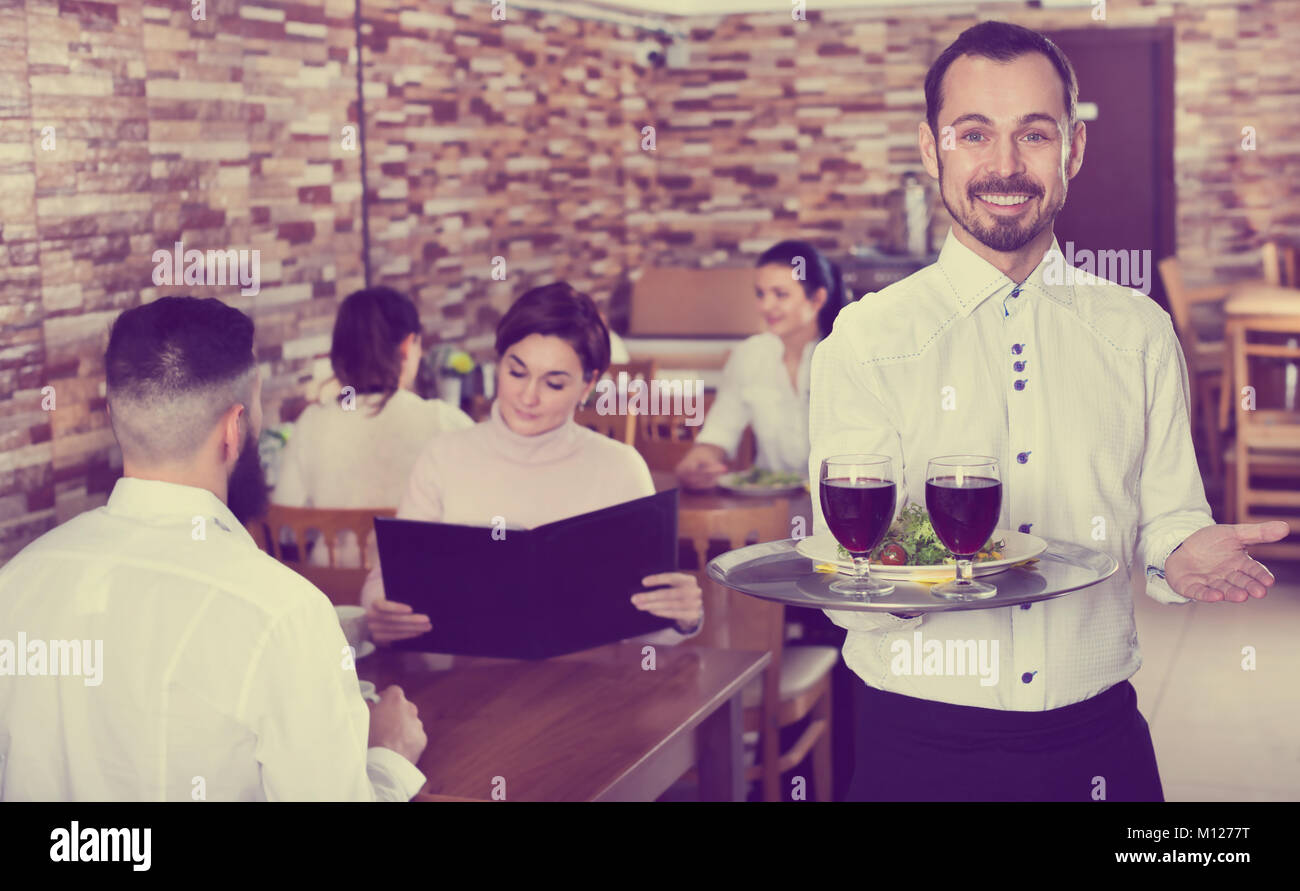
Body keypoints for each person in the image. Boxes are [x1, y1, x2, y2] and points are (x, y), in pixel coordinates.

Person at [809, 21, 1289, 802]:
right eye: (974, 134)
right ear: (932, 150)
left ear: (1072, 151)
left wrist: (1178, 551)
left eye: (1033, 134)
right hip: (917, 738)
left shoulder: (1138, 331)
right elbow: (850, 556)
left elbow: (1166, 515)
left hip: (1097, 735)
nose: (1005, 165)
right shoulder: (866, 340)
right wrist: (902, 576)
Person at [0, 296, 428, 801]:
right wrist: (390, 756)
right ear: (233, 429)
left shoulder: (18, 580)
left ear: (116, 413)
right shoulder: (283, 613)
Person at [361, 282, 703, 646]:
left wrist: (683, 618)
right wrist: (379, 611)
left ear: (587, 387)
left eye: (554, 384)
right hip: (465, 677)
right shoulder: (443, 456)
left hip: (588, 681)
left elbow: (652, 629)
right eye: (517, 372)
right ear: (499, 361)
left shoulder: (620, 467)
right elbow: (389, 578)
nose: (528, 396)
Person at [273, 287, 473, 566]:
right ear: (407, 345)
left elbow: (286, 532)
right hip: (413, 592)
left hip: (330, 594)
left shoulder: (310, 424)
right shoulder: (443, 420)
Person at [675, 240, 846, 489]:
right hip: (770, 503)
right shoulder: (749, 355)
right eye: (760, 294)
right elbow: (718, 434)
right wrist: (697, 462)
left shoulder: (846, 357)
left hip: (836, 504)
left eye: (780, 294)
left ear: (817, 299)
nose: (765, 306)